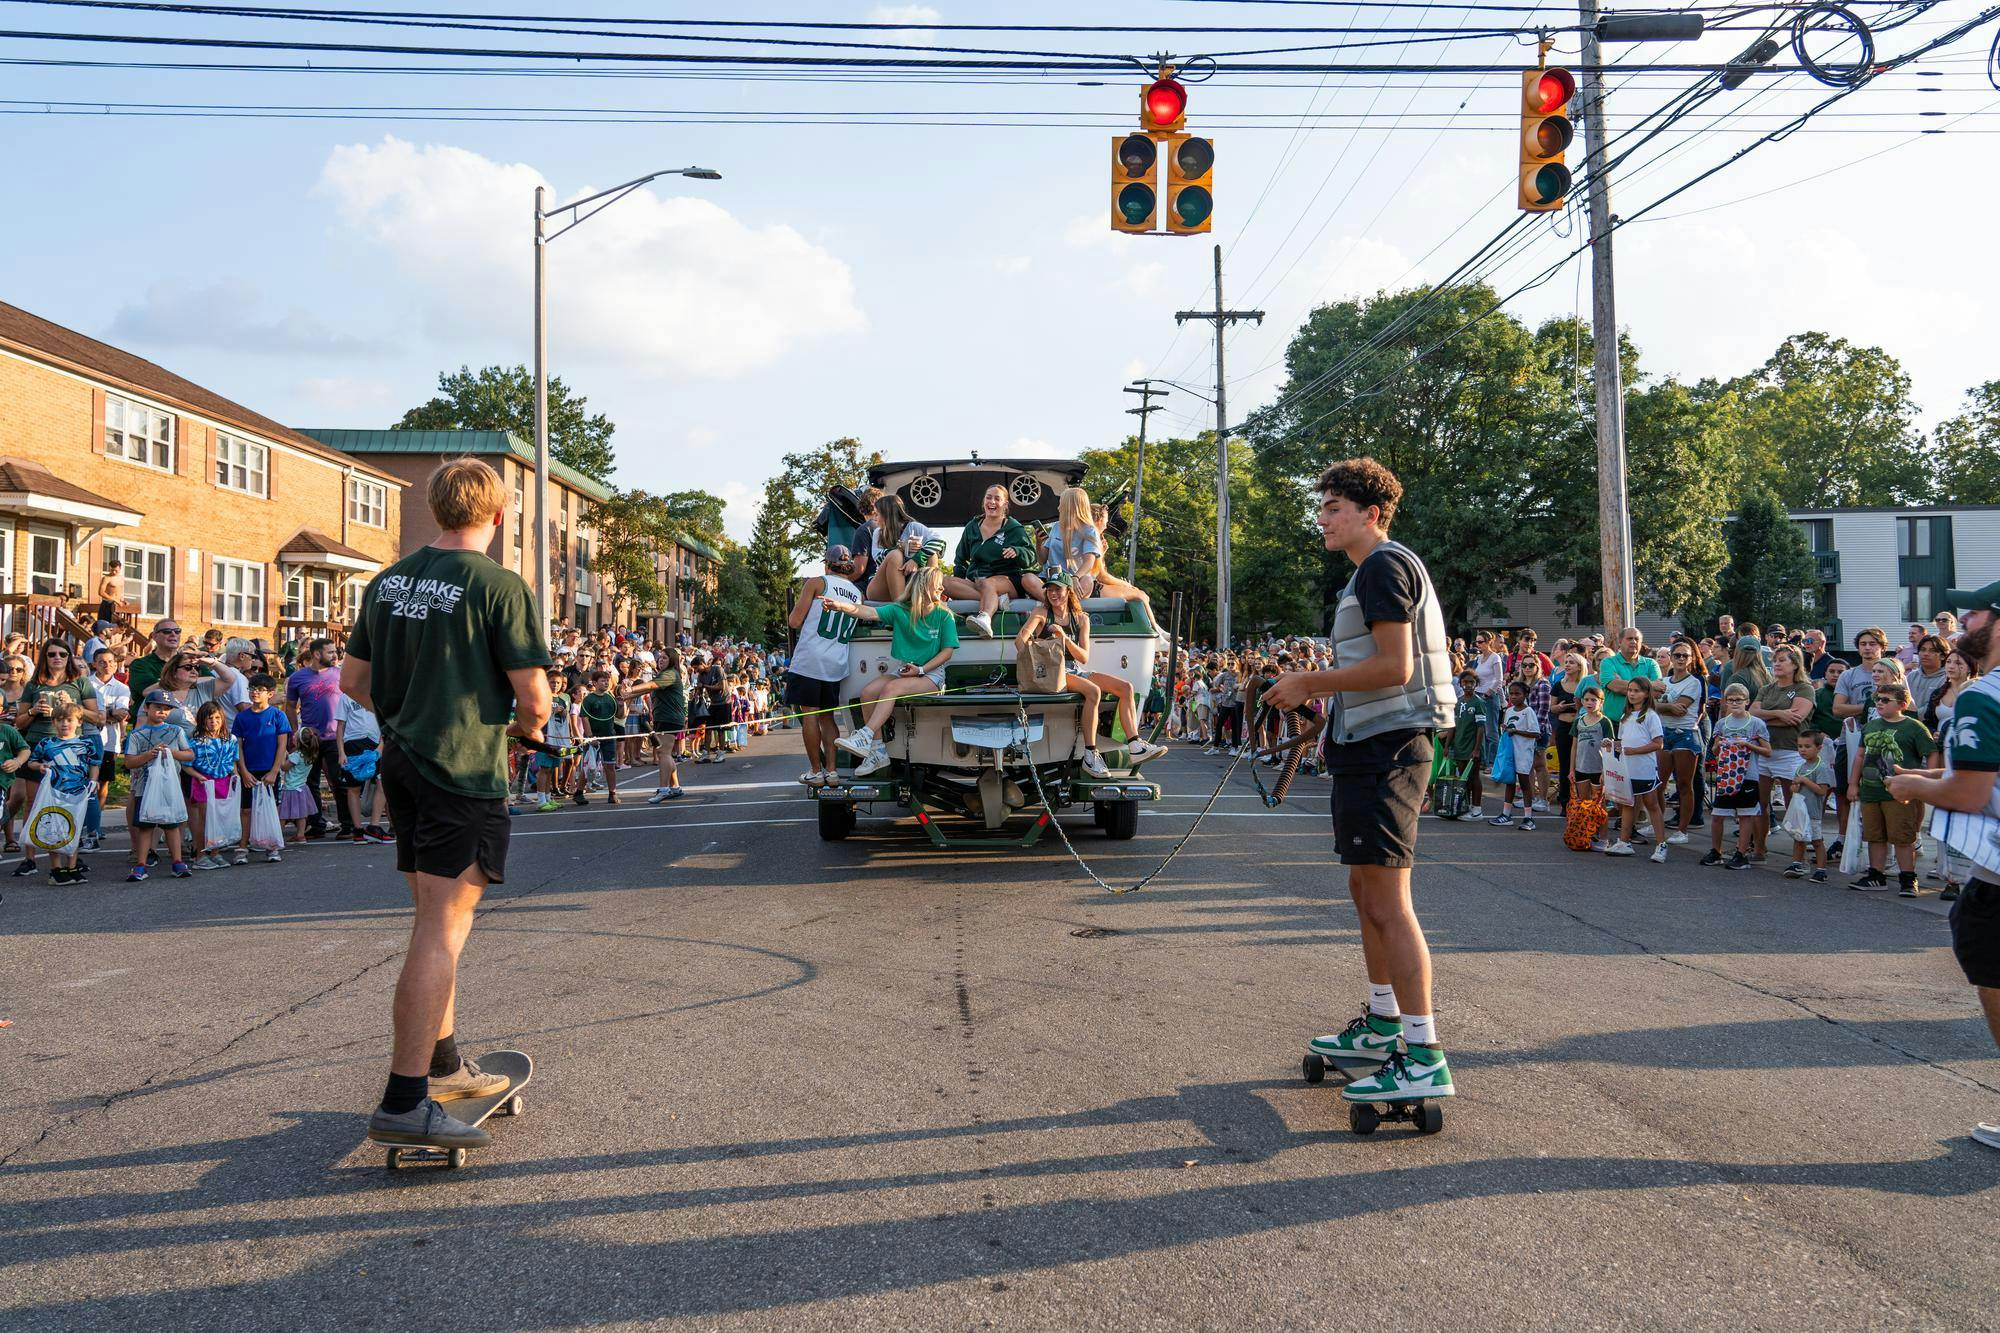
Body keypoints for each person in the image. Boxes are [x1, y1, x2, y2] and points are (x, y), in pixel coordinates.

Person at [342, 456, 553, 1156]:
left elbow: (354, 680)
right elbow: (535, 699)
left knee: (436, 920)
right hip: (461, 768)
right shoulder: (499, 584)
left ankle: (442, 1062)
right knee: (440, 929)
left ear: (436, 510)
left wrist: (411, 714)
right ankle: (405, 1097)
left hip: (402, 760)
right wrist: (525, 727)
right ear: (496, 517)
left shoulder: (387, 581)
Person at [1260, 457, 1458, 1110]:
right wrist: (1320, 709)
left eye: (1334, 507)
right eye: (1323, 507)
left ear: (1371, 514)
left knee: (1389, 900)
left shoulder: (1382, 566)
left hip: (1391, 750)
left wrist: (1310, 683)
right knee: (1365, 887)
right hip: (1368, 745)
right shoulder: (1370, 572)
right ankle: (1381, 1026)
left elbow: (1396, 666)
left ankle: (1423, 1054)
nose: (1323, 518)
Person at [1884, 581, 1999, 1148]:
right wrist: (1929, 779)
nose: (1961, 624)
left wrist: (1911, 784)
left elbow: (1974, 792)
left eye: (1974, 613)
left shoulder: (1983, 696)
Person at [1012, 572, 1165, 777]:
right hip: (1052, 672)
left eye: (1058, 589)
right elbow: (1020, 641)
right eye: (1050, 589)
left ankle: (1135, 745)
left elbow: (1083, 657)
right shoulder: (1041, 613)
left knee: (1126, 688)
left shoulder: (1082, 619)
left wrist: (1064, 638)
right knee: (1093, 691)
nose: (1053, 593)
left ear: (1069, 591)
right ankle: (1091, 754)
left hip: (1074, 669)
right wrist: (1040, 653)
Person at [827, 562, 959, 778]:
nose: (942, 590)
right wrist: (841, 606)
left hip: (931, 675)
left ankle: (865, 735)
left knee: (891, 688)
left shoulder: (945, 616)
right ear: (924, 587)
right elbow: (868, 612)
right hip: (906, 671)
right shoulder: (900, 610)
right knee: (868, 693)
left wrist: (921, 669)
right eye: (938, 586)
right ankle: (878, 752)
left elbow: (947, 652)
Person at [11, 640, 102, 880]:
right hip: (38, 746)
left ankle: (67, 849)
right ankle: (29, 858)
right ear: (45, 657)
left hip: (72, 750)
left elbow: (99, 718)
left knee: (69, 804)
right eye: (52, 654)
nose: (57, 658)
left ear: (69, 657)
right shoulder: (33, 685)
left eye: (63, 653)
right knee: (33, 803)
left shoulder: (80, 682)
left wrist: (72, 707)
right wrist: (33, 711)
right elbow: (19, 723)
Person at [785, 545, 865, 788]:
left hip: (810, 659)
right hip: (836, 661)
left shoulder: (817, 582)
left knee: (809, 716)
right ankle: (832, 770)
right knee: (828, 718)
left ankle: (815, 770)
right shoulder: (857, 593)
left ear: (828, 564)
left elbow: (794, 620)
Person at [1848, 682, 1938, 895]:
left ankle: (1908, 879)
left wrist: (1929, 780)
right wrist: (1853, 783)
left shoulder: (1913, 727)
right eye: (1877, 699)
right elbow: (1860, 755)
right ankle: (1876, 875)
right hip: (1871, 790)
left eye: (1885, 700)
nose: (1879, 703)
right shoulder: (1871, 725)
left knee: (1902, 836)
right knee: (1874, 835)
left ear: (1903, 704)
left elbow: (1931, 752)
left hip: (1900, 793)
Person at [942, 484, 1043, 638]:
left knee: (988, 584)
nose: (992, 502)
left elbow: (1031, 556)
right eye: (988, 497)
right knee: (942, 581)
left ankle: (985, 619)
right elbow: (960, 560)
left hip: (1007, 581)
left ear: (1005, 504)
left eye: (997, 498)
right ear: (983, 501)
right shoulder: (972, 527)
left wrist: (1017, 551)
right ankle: (998, 601)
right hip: (976, 581)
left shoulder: (1014, 528)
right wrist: (958, 586)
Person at [27, 699, 102, 885]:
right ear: (53, 722)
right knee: (55, 830)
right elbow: (31, 762)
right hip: (54, 794)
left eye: (69, 720)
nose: (64, 724)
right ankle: (56, 870)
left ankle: (72, 867)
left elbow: (94, 764)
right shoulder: (47, 743)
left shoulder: (86, 742)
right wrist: (40, 766)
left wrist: (93, 781)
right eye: (59, 720)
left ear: (79, 722)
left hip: (78, 793)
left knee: (74, 830)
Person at [123, 691, 193, 881]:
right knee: (145, 826)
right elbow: (129, 762)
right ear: (147, 708)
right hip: (143, 787)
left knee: (171, 825)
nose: (162, 712)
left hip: (168, 786)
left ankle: (177, 862)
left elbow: (189, 755)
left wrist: (172, 752)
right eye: (158, 707)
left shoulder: (176, 731)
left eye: (166, 709)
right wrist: (149, 755)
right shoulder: (137, 734)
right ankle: (141, 864)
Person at [287, 638, 351, 839]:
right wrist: (296, 732)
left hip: (335, 736)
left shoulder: (340, 674)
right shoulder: (298, 678)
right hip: (310, 738)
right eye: (330, 652)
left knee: (339, 781)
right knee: (309, 781)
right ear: (316, 654)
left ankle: (347, 825)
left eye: (335, 652)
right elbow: (289, 706)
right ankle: (316, 824)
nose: (335, 656)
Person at [1703, 683, 1771, 870]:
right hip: (1726, 775)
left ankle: (1741, 853)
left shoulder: (1756, 724)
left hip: (1748, 775)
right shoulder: (1722, 723)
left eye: (1738, 700)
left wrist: (1749, 745)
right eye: (1730, 700)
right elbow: (1715, 749)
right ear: (1725, 702)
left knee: (1745, 815)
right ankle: (1716, 851)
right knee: (1718, 815)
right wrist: (1721, 745)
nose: (1734, 703)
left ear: (1747, 701)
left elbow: (1767, 751)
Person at [231, 673, 291, 865]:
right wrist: (243, 771)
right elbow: (238, 746)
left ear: (270, 693)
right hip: (249, 769)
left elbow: (282, 745)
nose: (255, 692)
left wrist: (274, 771)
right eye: (252, 688)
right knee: (246, 810)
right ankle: (243, 846)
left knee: (270, 809)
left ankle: (271, 845)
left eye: (260, 689)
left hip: (269, 770)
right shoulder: (241, 717)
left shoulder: (278, 716)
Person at [1607, 677, 1669, 862]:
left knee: (1651, 804)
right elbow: (1620, 743)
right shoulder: (1625, 717)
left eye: (1637, 691)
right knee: (1628, 804)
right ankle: (1624, 842)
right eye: (1630, 690)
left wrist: (1634, 751)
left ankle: (1661, 844)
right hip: (1628, 769)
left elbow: (1658, 743)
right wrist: (1610, 746)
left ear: (1647, 693)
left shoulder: (1650, 715)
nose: (1632, 694)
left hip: (1644, 769)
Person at [185, 701, 245, 871]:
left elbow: (233, 760)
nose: (214, 722)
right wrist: (199, 777)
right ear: (202, 720)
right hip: (204, 781)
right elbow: (187, 765)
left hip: (223, 780)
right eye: (209, 718)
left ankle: (215, 852)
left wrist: (235, 774)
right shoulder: (196, 742)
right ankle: (200, 855)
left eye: (217, 718)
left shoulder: (230, 739)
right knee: (205, 819)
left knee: (218, 818)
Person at [82, 646, 129, 854]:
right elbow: (109, 713)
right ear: (94, 663)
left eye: (110, 661)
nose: (107, 665)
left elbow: (121, 714)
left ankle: (96, 824)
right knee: (86, 781)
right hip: (88, 736)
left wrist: (103, 713)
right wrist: (106, 713)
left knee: (103, 782)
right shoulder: (87, 684)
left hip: (109, 740)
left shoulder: (121, 687)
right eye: (102, 661)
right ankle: (87, 823)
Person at [1657, 642, 1706, 840]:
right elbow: (1650, 704)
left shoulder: (1694, 682)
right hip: (1663, 733)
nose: (1680, 659)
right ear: (1671, 656)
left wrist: (1659, 704)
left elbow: (1681, 708)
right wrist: (1663, 706)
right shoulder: (1663, 681)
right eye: (1677, 655)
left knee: (1684, 784)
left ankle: (1682, 830)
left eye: (1685, 656)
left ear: (1691, 659)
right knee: (1659, 784)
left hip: (1685, 733)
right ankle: (1657, 823)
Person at [633, 647, 686, 803]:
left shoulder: (670, 674)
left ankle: (664, 789)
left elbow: (649, 686)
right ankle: (675, 787)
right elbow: (646, 690)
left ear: (672, 661)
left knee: (664, 753)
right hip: (664, 718)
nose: (660, 660)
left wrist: (630, 688)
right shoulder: (663, 675)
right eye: (660, 657)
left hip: (670, 718)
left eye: (665, 658)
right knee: (665, 752)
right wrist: (627, 695)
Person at [863, 495, 933, 604]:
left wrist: (916, 559)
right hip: (881, 587)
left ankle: (929, 599)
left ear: (887, 514)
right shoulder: (878, 532)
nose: (874, 518)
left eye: (877, 514)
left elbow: (939, 542)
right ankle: (900, 609)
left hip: (911, 582)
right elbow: (879, 559)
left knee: (933, 554)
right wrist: (902, 548)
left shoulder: (914, 527)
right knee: (895, 555)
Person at [1784, 729, 1833, 883]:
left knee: (1817, 841)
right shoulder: (1801, 767)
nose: (1803, 750)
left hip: (1813, 811)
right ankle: (1797, 863)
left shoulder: (1821, 768)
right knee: (1799, 838)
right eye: (1800, 746)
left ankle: (1821, 870)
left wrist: (1805, 781)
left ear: (1818, 748)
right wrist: (1795, 787)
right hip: (1801, 811)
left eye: (1807, 746)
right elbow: (1794, 787)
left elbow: (1822, 790)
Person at [1490, 680, 1539, 830]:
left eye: (1517, 694)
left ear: (1525, 695)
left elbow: (1536, 733)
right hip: (1510, 753)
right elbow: (1508, 729)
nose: (1513, 697)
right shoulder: (1509, 711)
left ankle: (1528, 817)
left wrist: (1516, 731)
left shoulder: (1528, 712)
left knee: (1524, 784)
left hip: (1523, 753)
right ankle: (1506, 814)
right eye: (1511, 694)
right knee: (1509, 782)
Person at [1041, 487, 1104, 598]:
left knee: (1087, 581)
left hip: (1072, 579)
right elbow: (1042, 559)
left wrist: (1075, 577)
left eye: (1061, 504)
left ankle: (1059, 604)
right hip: (1051, 579)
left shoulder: (1089, 530)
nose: (1058, 507)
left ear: (1071, 507)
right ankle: (1060, 604)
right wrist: (1039, 542)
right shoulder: (1056, 526)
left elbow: (1089, 562)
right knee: (1027, 579)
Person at [1598, 627, 1662, 729]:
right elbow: (1615, 686)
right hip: (1613, 723)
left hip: (1643, 722)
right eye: (1629, 638)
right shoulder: (1608, 662)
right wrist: (1649, 686)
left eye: (1637, 639)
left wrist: (1622, 684)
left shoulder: (1651, 664)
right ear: (1620, 642)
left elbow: (1658, 693)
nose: (1633, 642)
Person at [1444, 667, 1484, 818]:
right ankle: (1466, 807)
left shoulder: (1478, 702)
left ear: (1476, 684)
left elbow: (1481, 728)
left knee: (1474, 776)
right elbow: (1452, 727)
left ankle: (1477, 809)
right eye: (1465, 682)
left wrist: (1477, 749)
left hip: (1472, 746)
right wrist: (1447, 746)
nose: (1468, 685)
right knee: (1463, 778)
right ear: (1460, 683)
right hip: (1459, 746)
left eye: (1471, 682)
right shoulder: (1458, 702)